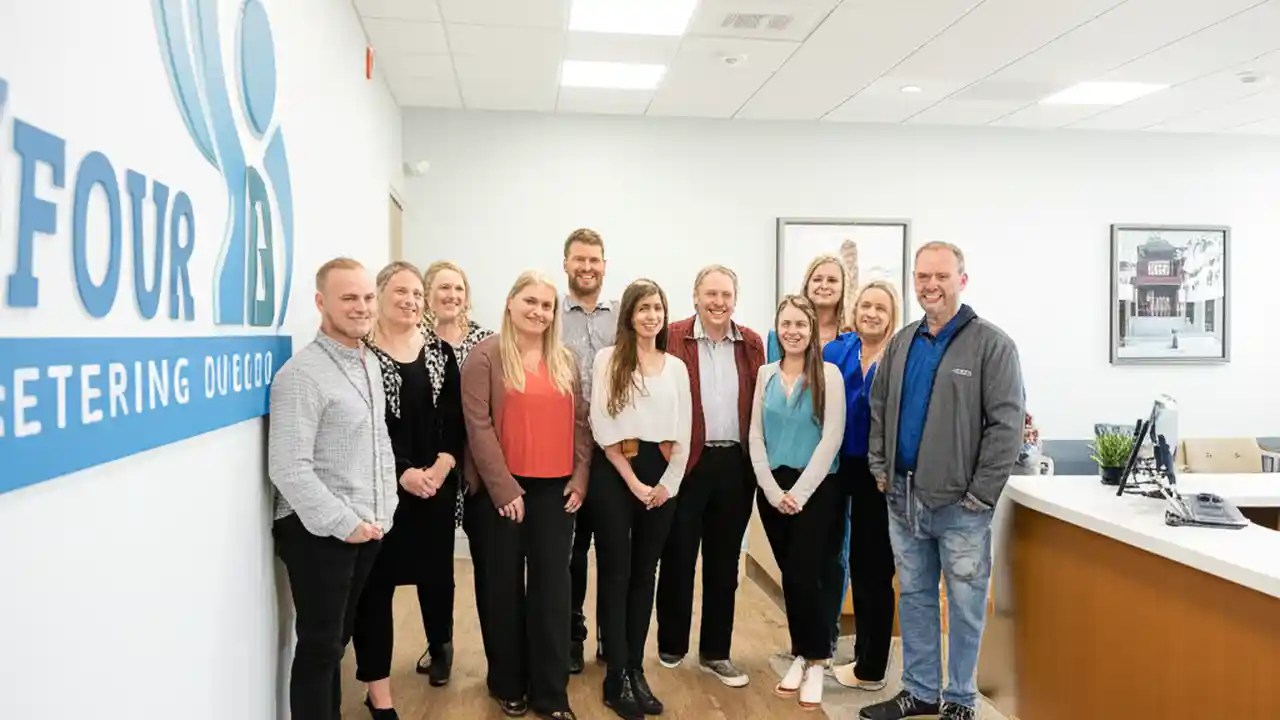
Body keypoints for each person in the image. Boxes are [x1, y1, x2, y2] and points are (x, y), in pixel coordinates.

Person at [859, 242, 1024, 720]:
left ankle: (960, 699)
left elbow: (1006, 427)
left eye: (941, 277)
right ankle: (920, 690)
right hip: (903, 499)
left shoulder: (993, 346)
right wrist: (879, 468)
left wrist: (979, 494)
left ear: (962, 280)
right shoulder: (903, 341)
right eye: (922, 276)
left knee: (966, 606)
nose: (930, 285)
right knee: (914, 599)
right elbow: (879, 407)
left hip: (962, 507)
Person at [268, 257, 398, 720]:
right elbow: (288, 467)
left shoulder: (368, 363)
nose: (362, 307)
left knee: (334, 648)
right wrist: (345, 525)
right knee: (320, 650)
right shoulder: (302, 375)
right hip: (318, 534)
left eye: (366, 297)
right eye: (349, 298)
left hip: (364, 529)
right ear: (321, 302)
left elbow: (378, 440)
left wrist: (386, 509)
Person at [461, 271, 592, 720]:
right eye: (530, 301)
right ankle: (508, 683)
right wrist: (503, 488)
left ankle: (551, 694)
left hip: (556, 492)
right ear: (511, 302)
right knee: (502, 589)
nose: (539, 311)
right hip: (503, 492)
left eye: (547, 305)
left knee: (553, 592)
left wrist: (580, 477)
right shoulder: (486, 356)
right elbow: (478, 427)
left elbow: (581, 424)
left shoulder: (565, 359)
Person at [349, 262, 464, 719]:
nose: (411, 301)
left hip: (434, 486)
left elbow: (454, 421)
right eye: (401, 292)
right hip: (382, 489)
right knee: (375, 588)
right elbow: (368, 428)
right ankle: (376, 686)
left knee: (437, 576)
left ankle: (441, 646)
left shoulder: (440, 352)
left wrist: (441, 465)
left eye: (417, 294)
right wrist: (402, 473)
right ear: (379, 295)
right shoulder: (361, 355)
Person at [657, 264, 765, 687]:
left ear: (735, 299)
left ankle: (716, 652)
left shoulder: (752, 343)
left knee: (724, 563)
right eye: (711, 294)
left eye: (726, 295)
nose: (718, 302)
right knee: (678, 555)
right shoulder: (672, 336)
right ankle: (671, 644)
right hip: (687, 462)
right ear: (696, 297)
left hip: (735, 466)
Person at [589, 279, 692, 719]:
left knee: (644, 574)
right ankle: (615, 674)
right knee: (616, 572)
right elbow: (601, 425)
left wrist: (668, 482)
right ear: (629, 314)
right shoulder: (608, 359)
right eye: (644, 308)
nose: (652, 316)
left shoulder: (675, 367)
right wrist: (633, 482)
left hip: (661, 475)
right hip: (617, 471)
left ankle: (635, 667)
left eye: (658, 308)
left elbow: (685, 430)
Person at [748, 295, 846, 710]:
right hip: (773, 486)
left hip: (818, 487)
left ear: (812, 330)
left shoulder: (829, 374)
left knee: (810, 574)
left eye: (800, 325)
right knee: (792, 576)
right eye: (785, 324)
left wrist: (800, 493)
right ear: (777, 328)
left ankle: (817, 661)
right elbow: (755, 435)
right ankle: (802, 652)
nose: (792, 331)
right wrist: (771, 490)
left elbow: (832, 437)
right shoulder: (765, 373)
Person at [418, 259, 493, 682]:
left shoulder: (487, 341)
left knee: (488, 558)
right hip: (437, 467)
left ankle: (497, 651)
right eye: (442, 288)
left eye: (458, 289)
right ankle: (440, 645)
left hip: (479, 465)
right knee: (436, 563)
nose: (451, 296)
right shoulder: (416, 343)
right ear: (428, 295)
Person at [826, 280, 901, 692]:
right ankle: (854, 654)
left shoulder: (900, 355)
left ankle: (872, 668)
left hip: (879, 472)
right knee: (848, 562)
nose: (872, 313)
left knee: (875, 569)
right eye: (866, 305)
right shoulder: (837, 351)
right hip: (839, 466)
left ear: (893, 315)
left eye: (881, 308)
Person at [558, 228, 619, 673]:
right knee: (570, 551)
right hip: (563, 446)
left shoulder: (622, 317)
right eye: (579, 259)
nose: (587, 267)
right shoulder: (549, 314)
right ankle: (572, 631)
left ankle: (608, 633)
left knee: (615, 547)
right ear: (566, 263)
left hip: (616, 448)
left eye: (594, 260)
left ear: (604, 264)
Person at [766, 255, 849, 361]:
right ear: (807, 285)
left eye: (832, 280)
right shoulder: (782, 334)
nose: (824, 286)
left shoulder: (854, 338)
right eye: (817, 279)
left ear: (843, 287)